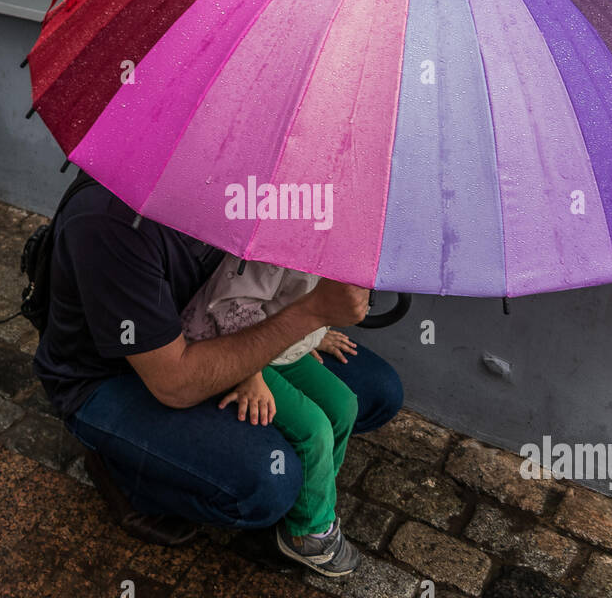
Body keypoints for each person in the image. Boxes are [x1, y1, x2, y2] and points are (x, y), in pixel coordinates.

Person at [32, 171, 404, 550]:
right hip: (116, 376)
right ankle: (125, 472)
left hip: (210, 332)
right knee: (270, 482)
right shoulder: (112, 222)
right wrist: (309, 316)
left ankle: (256, 457)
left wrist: (309, 329)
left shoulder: (236, 175)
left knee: (372, 392)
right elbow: (175, 382)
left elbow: (262, 278)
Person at [180, 254, 363, 577]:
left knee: (343, 405)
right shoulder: (274, 249)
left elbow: (301, 300)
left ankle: (308, 501)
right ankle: (307, 532)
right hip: (227, 348)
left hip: (279, 344)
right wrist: (250, 374)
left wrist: (316, 335)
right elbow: (228, 306)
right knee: (314, 429)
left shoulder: (340, 246)